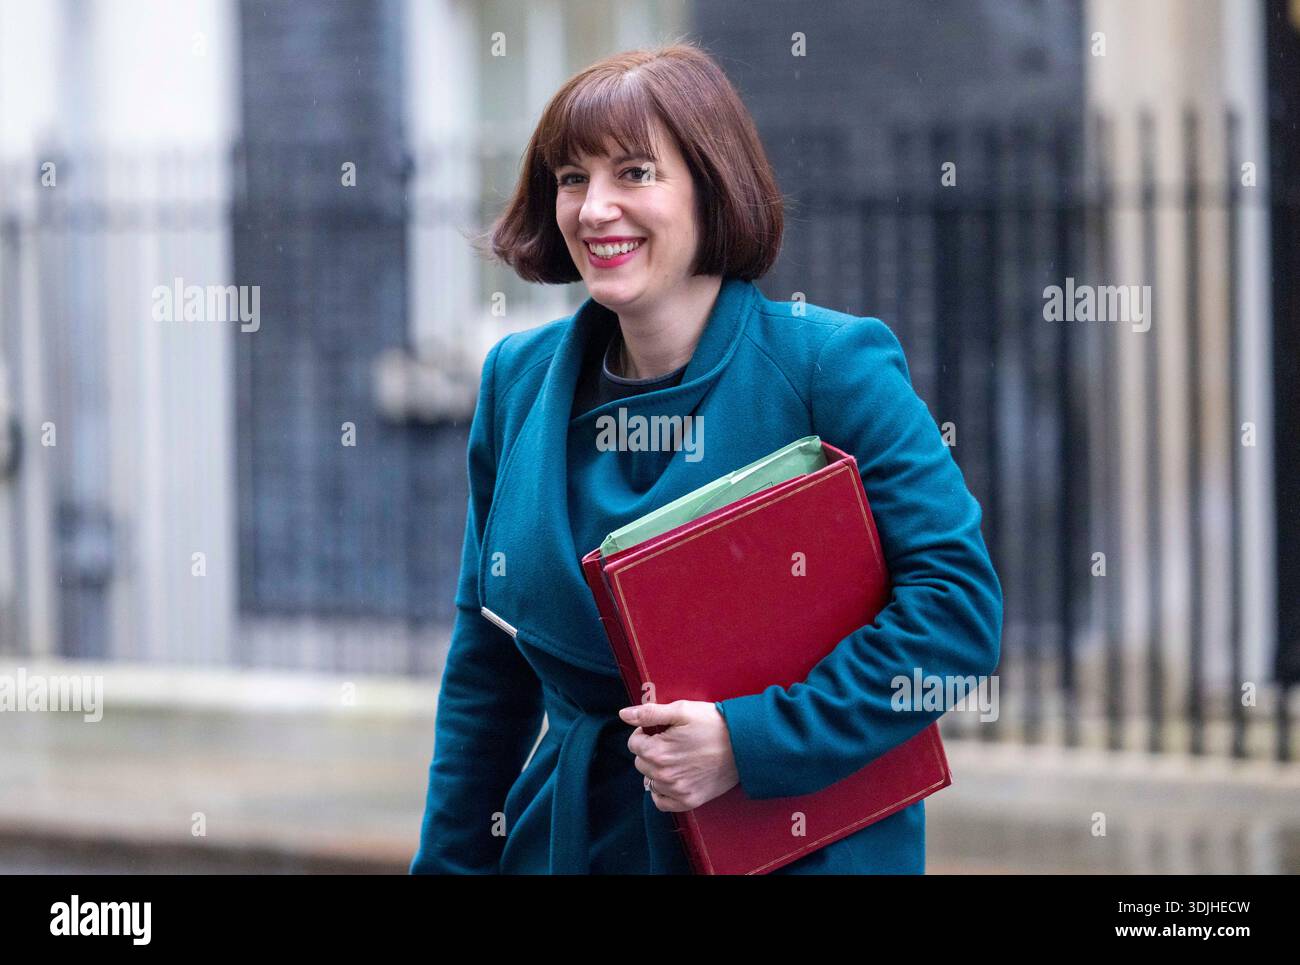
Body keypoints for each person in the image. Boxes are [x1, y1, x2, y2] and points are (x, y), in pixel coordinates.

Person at [410, 41, 1002, 875]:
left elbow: (956, 615)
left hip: (796, 849)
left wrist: (751, 740)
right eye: (572, 177)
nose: (593, 208)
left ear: (710, 184)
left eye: (634, 173)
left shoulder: (830, 368)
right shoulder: (517, 381)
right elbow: (485, 669)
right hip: (569, 849)